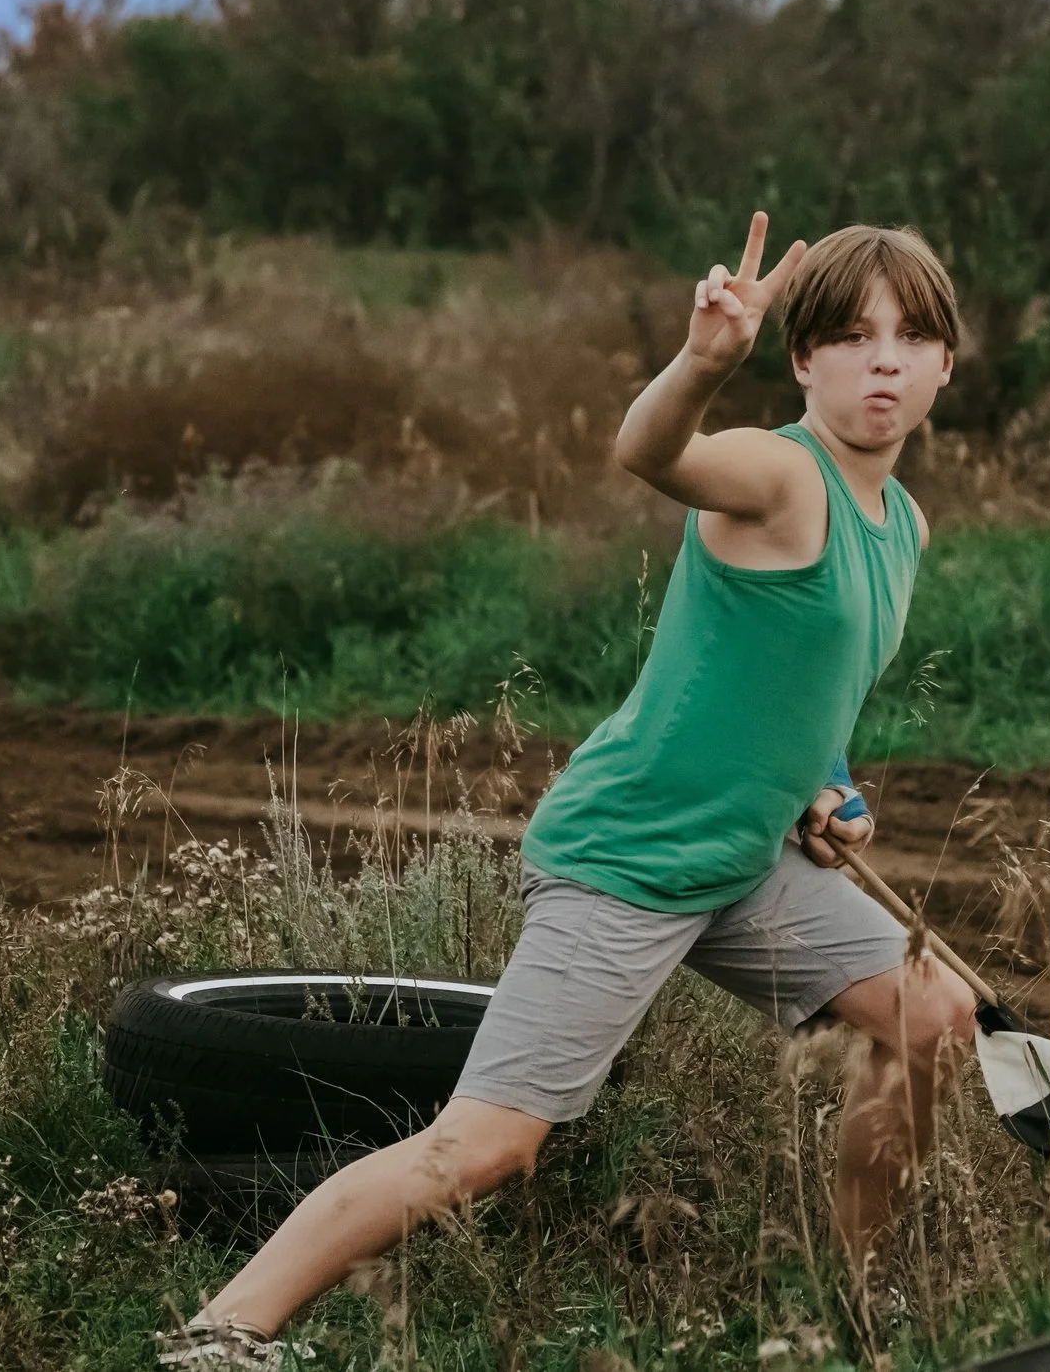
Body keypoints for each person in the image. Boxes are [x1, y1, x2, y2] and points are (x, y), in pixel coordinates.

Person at [157, 214, 980, 1368]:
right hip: (628, 855)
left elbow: (806, 678)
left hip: (742, 860)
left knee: (934, 1016)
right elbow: (651, 452)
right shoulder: (782, 473)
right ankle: (222, 1330)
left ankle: (853, 1315)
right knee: (490, 1144)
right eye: (850, 336)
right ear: (803, 360)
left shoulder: (903, 524)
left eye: (910, 336)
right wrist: (699, 363)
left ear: (946, 361)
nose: (882, 360)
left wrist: (825, 785)